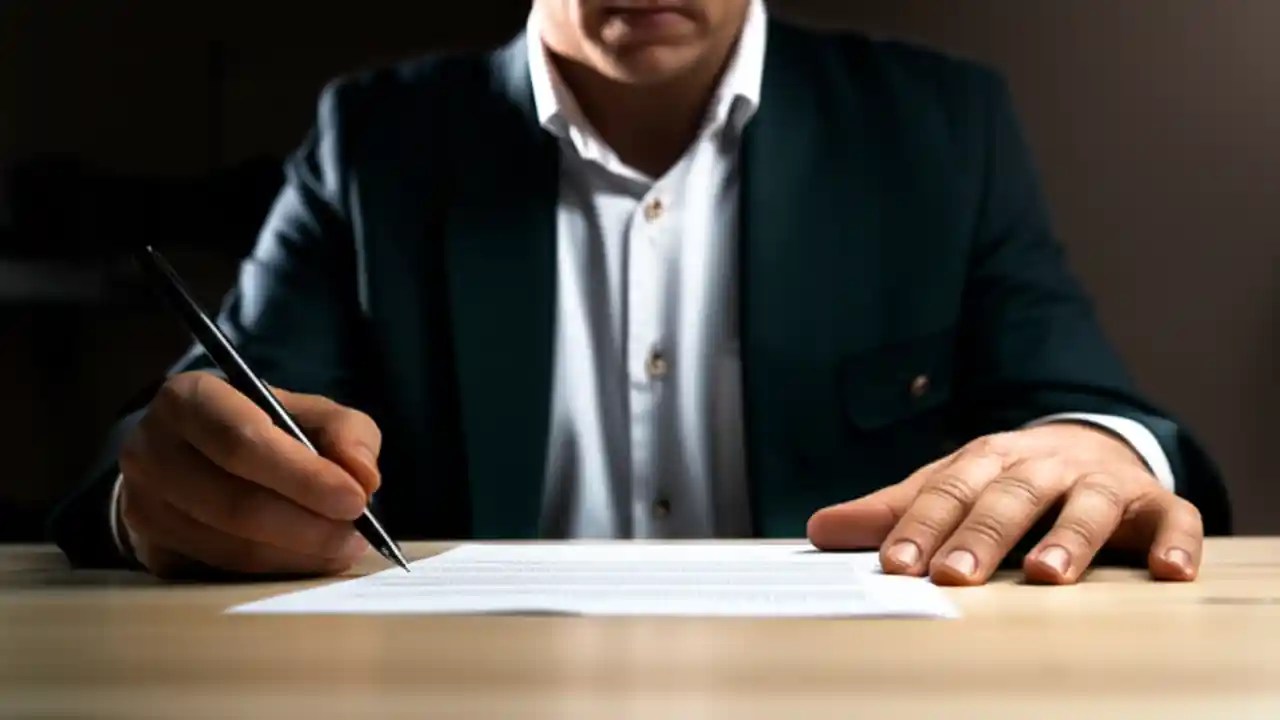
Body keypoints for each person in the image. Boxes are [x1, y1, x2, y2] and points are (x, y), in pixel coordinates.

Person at [51, 0, 1229, 583]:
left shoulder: (935, 126)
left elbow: (1082, 402)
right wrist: (153, 492)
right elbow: (197, 424)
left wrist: (1096, 445)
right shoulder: (375, 140)